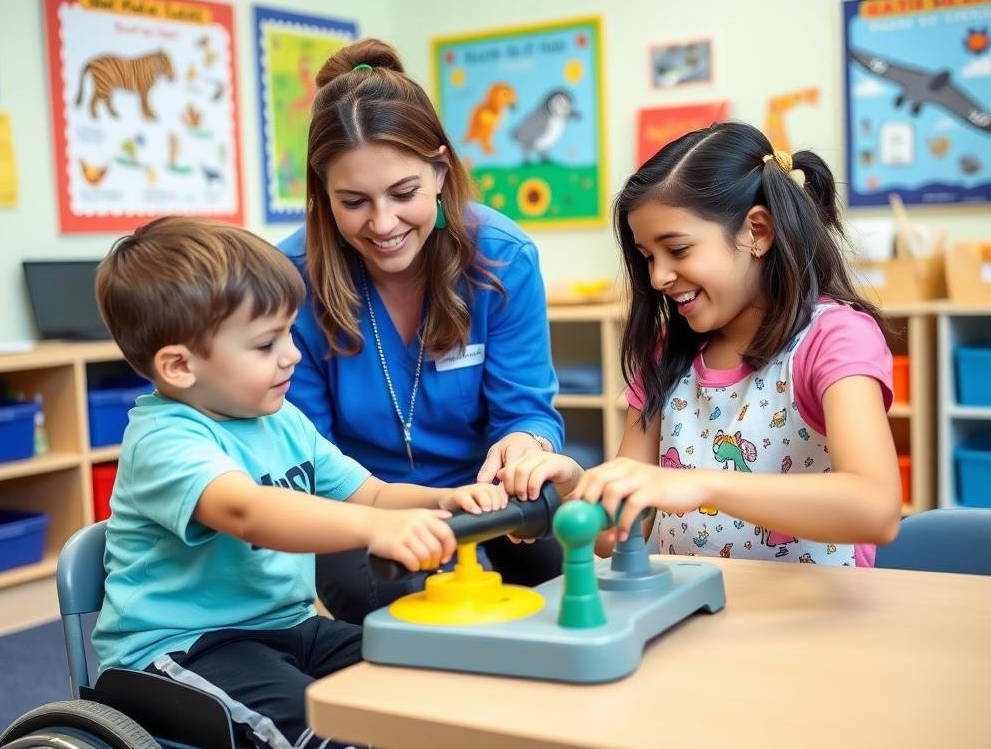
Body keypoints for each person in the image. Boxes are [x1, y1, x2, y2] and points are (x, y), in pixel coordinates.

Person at [91, 216, 506, 749]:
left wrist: (445, 497)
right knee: (334, 732)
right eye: (265, 344)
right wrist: (375, 529)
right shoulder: (164, 440)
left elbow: (372, 492)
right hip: (181, 651)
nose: (291, 353)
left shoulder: (280, 417)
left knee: (424, 681)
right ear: (178, 366)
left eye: (289, 331)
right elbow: (248, 513)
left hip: (292, 629)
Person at [498, 122, 901, 566]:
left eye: (679, 249)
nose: (657, 277)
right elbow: (615, 536)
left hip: (816, 624)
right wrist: (578, 487)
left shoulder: (834, 338)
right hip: (700, 616)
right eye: (649, 257)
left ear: (757, 232)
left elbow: (876, 509)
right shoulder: (668, 354)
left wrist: (703, 485)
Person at [277, 38, 565, 622]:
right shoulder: (289, 281)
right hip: (359, 512)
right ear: (322, 194)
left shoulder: (504, 259)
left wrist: (524, 447)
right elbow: (310, 459)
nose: (382, 225)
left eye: (403, 194)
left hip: (486, 501)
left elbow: (527, 412)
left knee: (560, 575)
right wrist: (389, 520)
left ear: (439, 168)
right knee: (400, 602)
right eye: (353, 201)